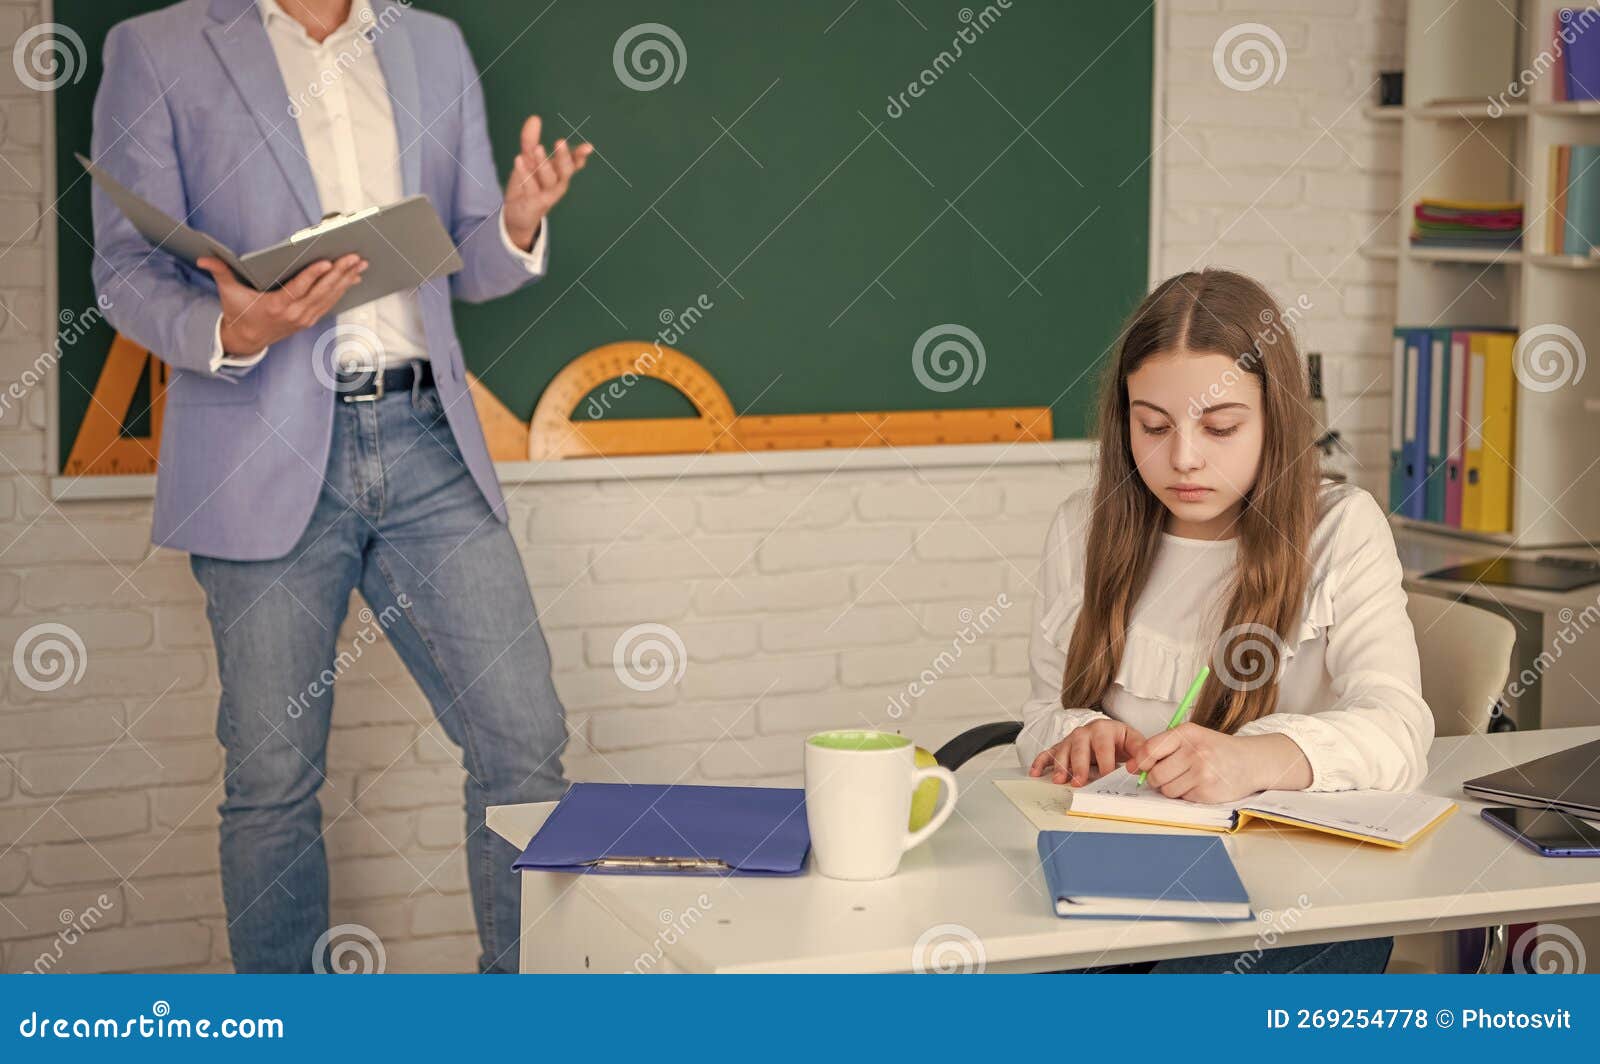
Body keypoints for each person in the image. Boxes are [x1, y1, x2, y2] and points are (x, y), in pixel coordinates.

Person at [88, 0, 592, 973]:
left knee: (525, 744)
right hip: (254, 440)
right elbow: (122, 268)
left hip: (427, 441)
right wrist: (238, 329)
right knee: (273, 778)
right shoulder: (154, 47)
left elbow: (467, 261)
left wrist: (518, 222)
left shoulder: (430, 44)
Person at [1020, 268, 1433, 974]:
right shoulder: (1081, 529)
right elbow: (1036, 712)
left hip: (1300, 895)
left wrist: (1248, 759)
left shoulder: (1341, 529)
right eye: (1153, 425)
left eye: (1220, 427)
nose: (1183, 457)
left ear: (1275, 419)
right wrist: (1075, 736)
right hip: (1122, 879)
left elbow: (1399, 730)